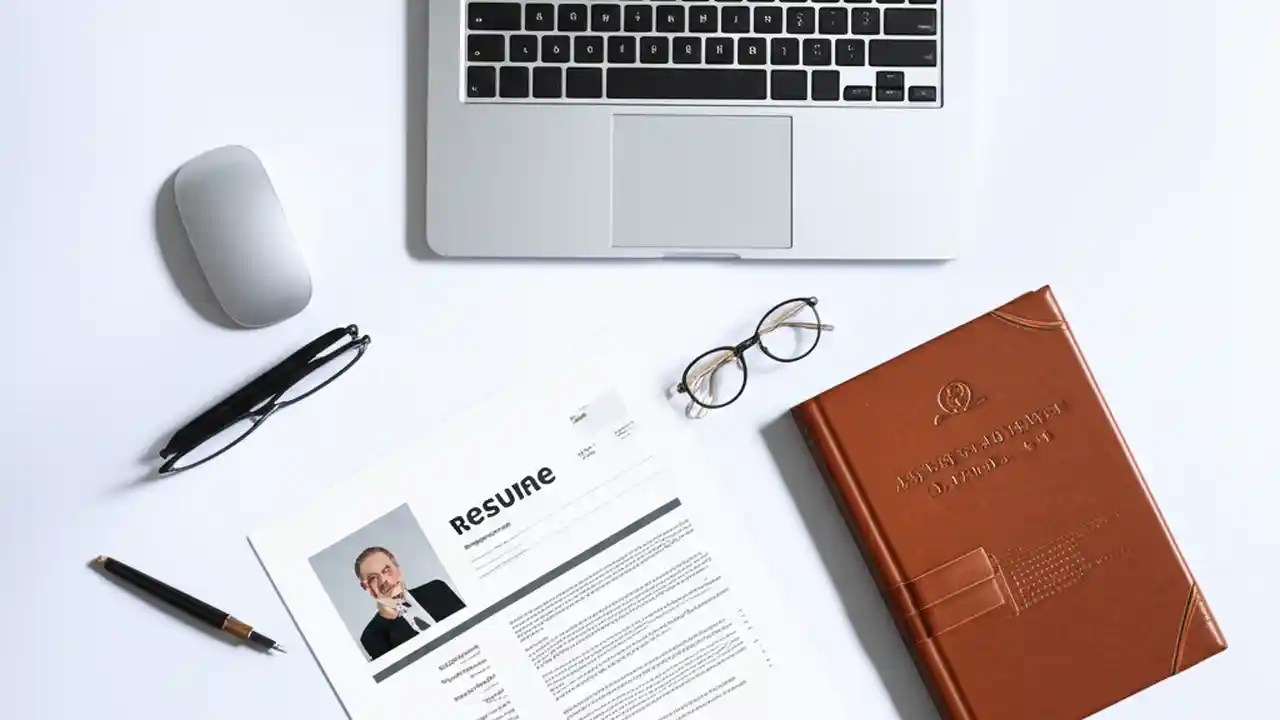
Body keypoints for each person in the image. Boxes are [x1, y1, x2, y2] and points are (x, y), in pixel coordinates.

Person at [354, 546, 465, 660]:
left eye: (386, 570)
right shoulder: (371, 636)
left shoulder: (437, 589)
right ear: (366, 588)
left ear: (398, 568)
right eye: (373, 578)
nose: (384, 581)